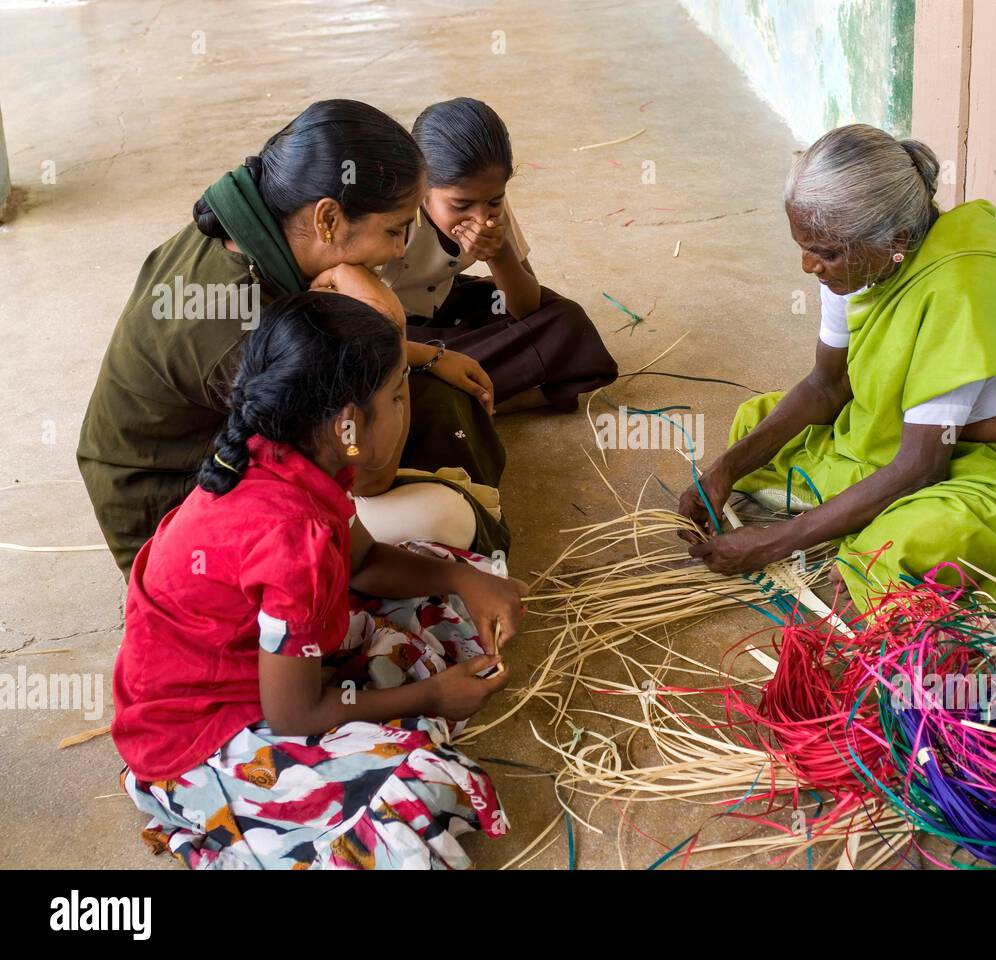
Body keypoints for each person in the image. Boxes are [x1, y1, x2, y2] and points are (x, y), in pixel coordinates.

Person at [112, 290, 527, 870]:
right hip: (196, 736)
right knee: (418, 782)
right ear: (349, 424)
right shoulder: (292, 538)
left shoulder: (290, 451)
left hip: (249, 665)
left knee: (435, 576)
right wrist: (434, 696)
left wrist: (460, 577)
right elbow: (293, 715)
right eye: (399, 395)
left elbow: (362, 563)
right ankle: (219, 809)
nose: (408, 407)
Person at [680, 124, 996, 613]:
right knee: (754, 427)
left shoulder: (960, 290)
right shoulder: (856, 258)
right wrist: (725, 468)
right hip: (916, 441)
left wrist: (778, 541)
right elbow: (827, 386)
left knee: (897, 548)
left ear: (898, 240)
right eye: (804, 246)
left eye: (825, 253)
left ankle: (880, 526)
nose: (809, 266)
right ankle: (850, 508)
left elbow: (920, 468)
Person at [78, 99, 510, 580]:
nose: (400, 249)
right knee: (446, 516)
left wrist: (429, 355)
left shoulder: (253, 219)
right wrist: (390, 325)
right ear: (327, 220)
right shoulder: (234, 324)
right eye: (393, 230)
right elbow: (369, 475)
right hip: (176, 525)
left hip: (217, 455)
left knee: (440, 398)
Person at [381, 97, 618, 413]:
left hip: (445, 310)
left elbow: (526, 308)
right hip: (388, 334)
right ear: (422, 187)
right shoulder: (389, 215)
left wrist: (499, 252)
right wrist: (434, 358)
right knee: (382, 376)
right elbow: (356, 332)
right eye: (461, 206)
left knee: (566, 321)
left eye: (494, 201)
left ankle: (466, 400)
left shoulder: (492, 208)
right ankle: (474, 399)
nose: (481, 218)